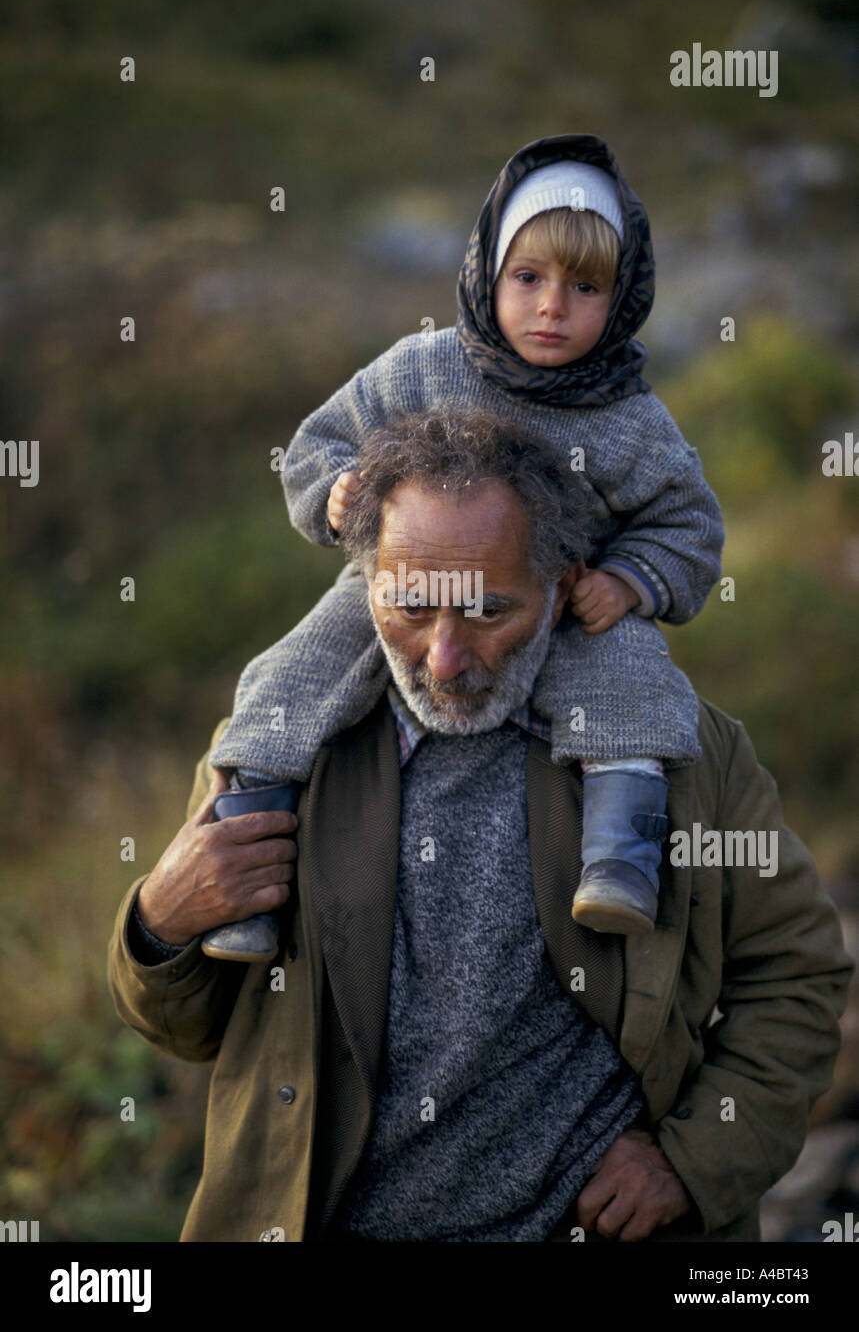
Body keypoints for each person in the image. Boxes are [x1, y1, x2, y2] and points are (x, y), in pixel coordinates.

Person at [107, 410, 852, 1244]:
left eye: (489, 611)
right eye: (411, 607)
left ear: (566, 585)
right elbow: (184, 1028)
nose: (444, 658)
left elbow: (793, 977)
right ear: (367, 580)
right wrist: (159, 923)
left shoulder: (683, 758)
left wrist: (693, 1159)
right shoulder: (277, 757)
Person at [207, 132, 725, 949]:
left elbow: (690, 524)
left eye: (583, 286)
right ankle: (247, 874)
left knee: (631, 684)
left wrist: (629, 581)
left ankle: (618, 862)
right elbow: (319, 442)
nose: (551, 306)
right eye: (527, 278)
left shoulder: (627, 418)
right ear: (488, 274)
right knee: (292, 676)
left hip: (556, 598)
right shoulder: (423, 368)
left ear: (622, 298)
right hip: (401, 586)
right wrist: (336, 490)